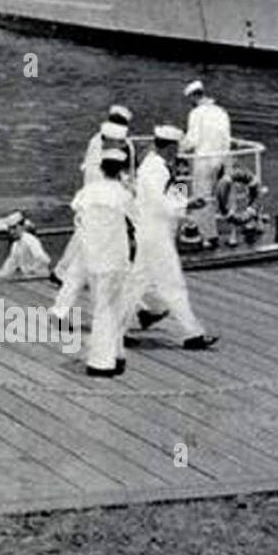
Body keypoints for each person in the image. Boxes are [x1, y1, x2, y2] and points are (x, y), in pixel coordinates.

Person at [127, 126, 219, 350]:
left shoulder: (157, 166)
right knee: (173, 285)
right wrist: (187, 204)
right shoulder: (156, 170)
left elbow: (168, 200)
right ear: (169, 147)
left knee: (136, 283)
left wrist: (186, 205)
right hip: (156, 234)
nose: (177, 152)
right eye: (176, 147)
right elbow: (160, 204)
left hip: (154, 232)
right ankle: (193, 334)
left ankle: (119, 327)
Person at [55, 118, 133, 315]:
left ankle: (59, 312)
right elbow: (136, 213)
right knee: (114, 281)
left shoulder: (100, 167)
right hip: (107, 240)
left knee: (77, 273)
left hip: (89, 232)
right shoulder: (118, 188)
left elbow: (78, 204)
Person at [70, 148, 137, 377]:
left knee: (105, 305)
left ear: (100, 169)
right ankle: (100, 362)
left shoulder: (88, 192)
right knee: (108, 309)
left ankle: (117, 355)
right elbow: (139, 220)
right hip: (115, 258)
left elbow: (77, 212)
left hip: (92, 257)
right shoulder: (122, 194)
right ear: (121, 171)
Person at [181, 80, 232, 247]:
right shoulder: (221, 112)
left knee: (201, 196)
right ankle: (230, 233)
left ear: (194, 97)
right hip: (221, 159)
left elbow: (192, 140)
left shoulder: (196, 114)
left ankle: (207, 235)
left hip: (203, 159)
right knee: (219, 196)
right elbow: (226, 139)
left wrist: (180, 147)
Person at [0, 211, 53, 279]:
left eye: (14, 228)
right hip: (29, 278)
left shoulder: (30, 240)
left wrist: (32, 270)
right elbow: (9, 267)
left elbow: (44, 259)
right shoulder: (15, 245)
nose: (12, 232)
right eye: (10, 229)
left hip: (41, 278)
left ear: (22, 227)